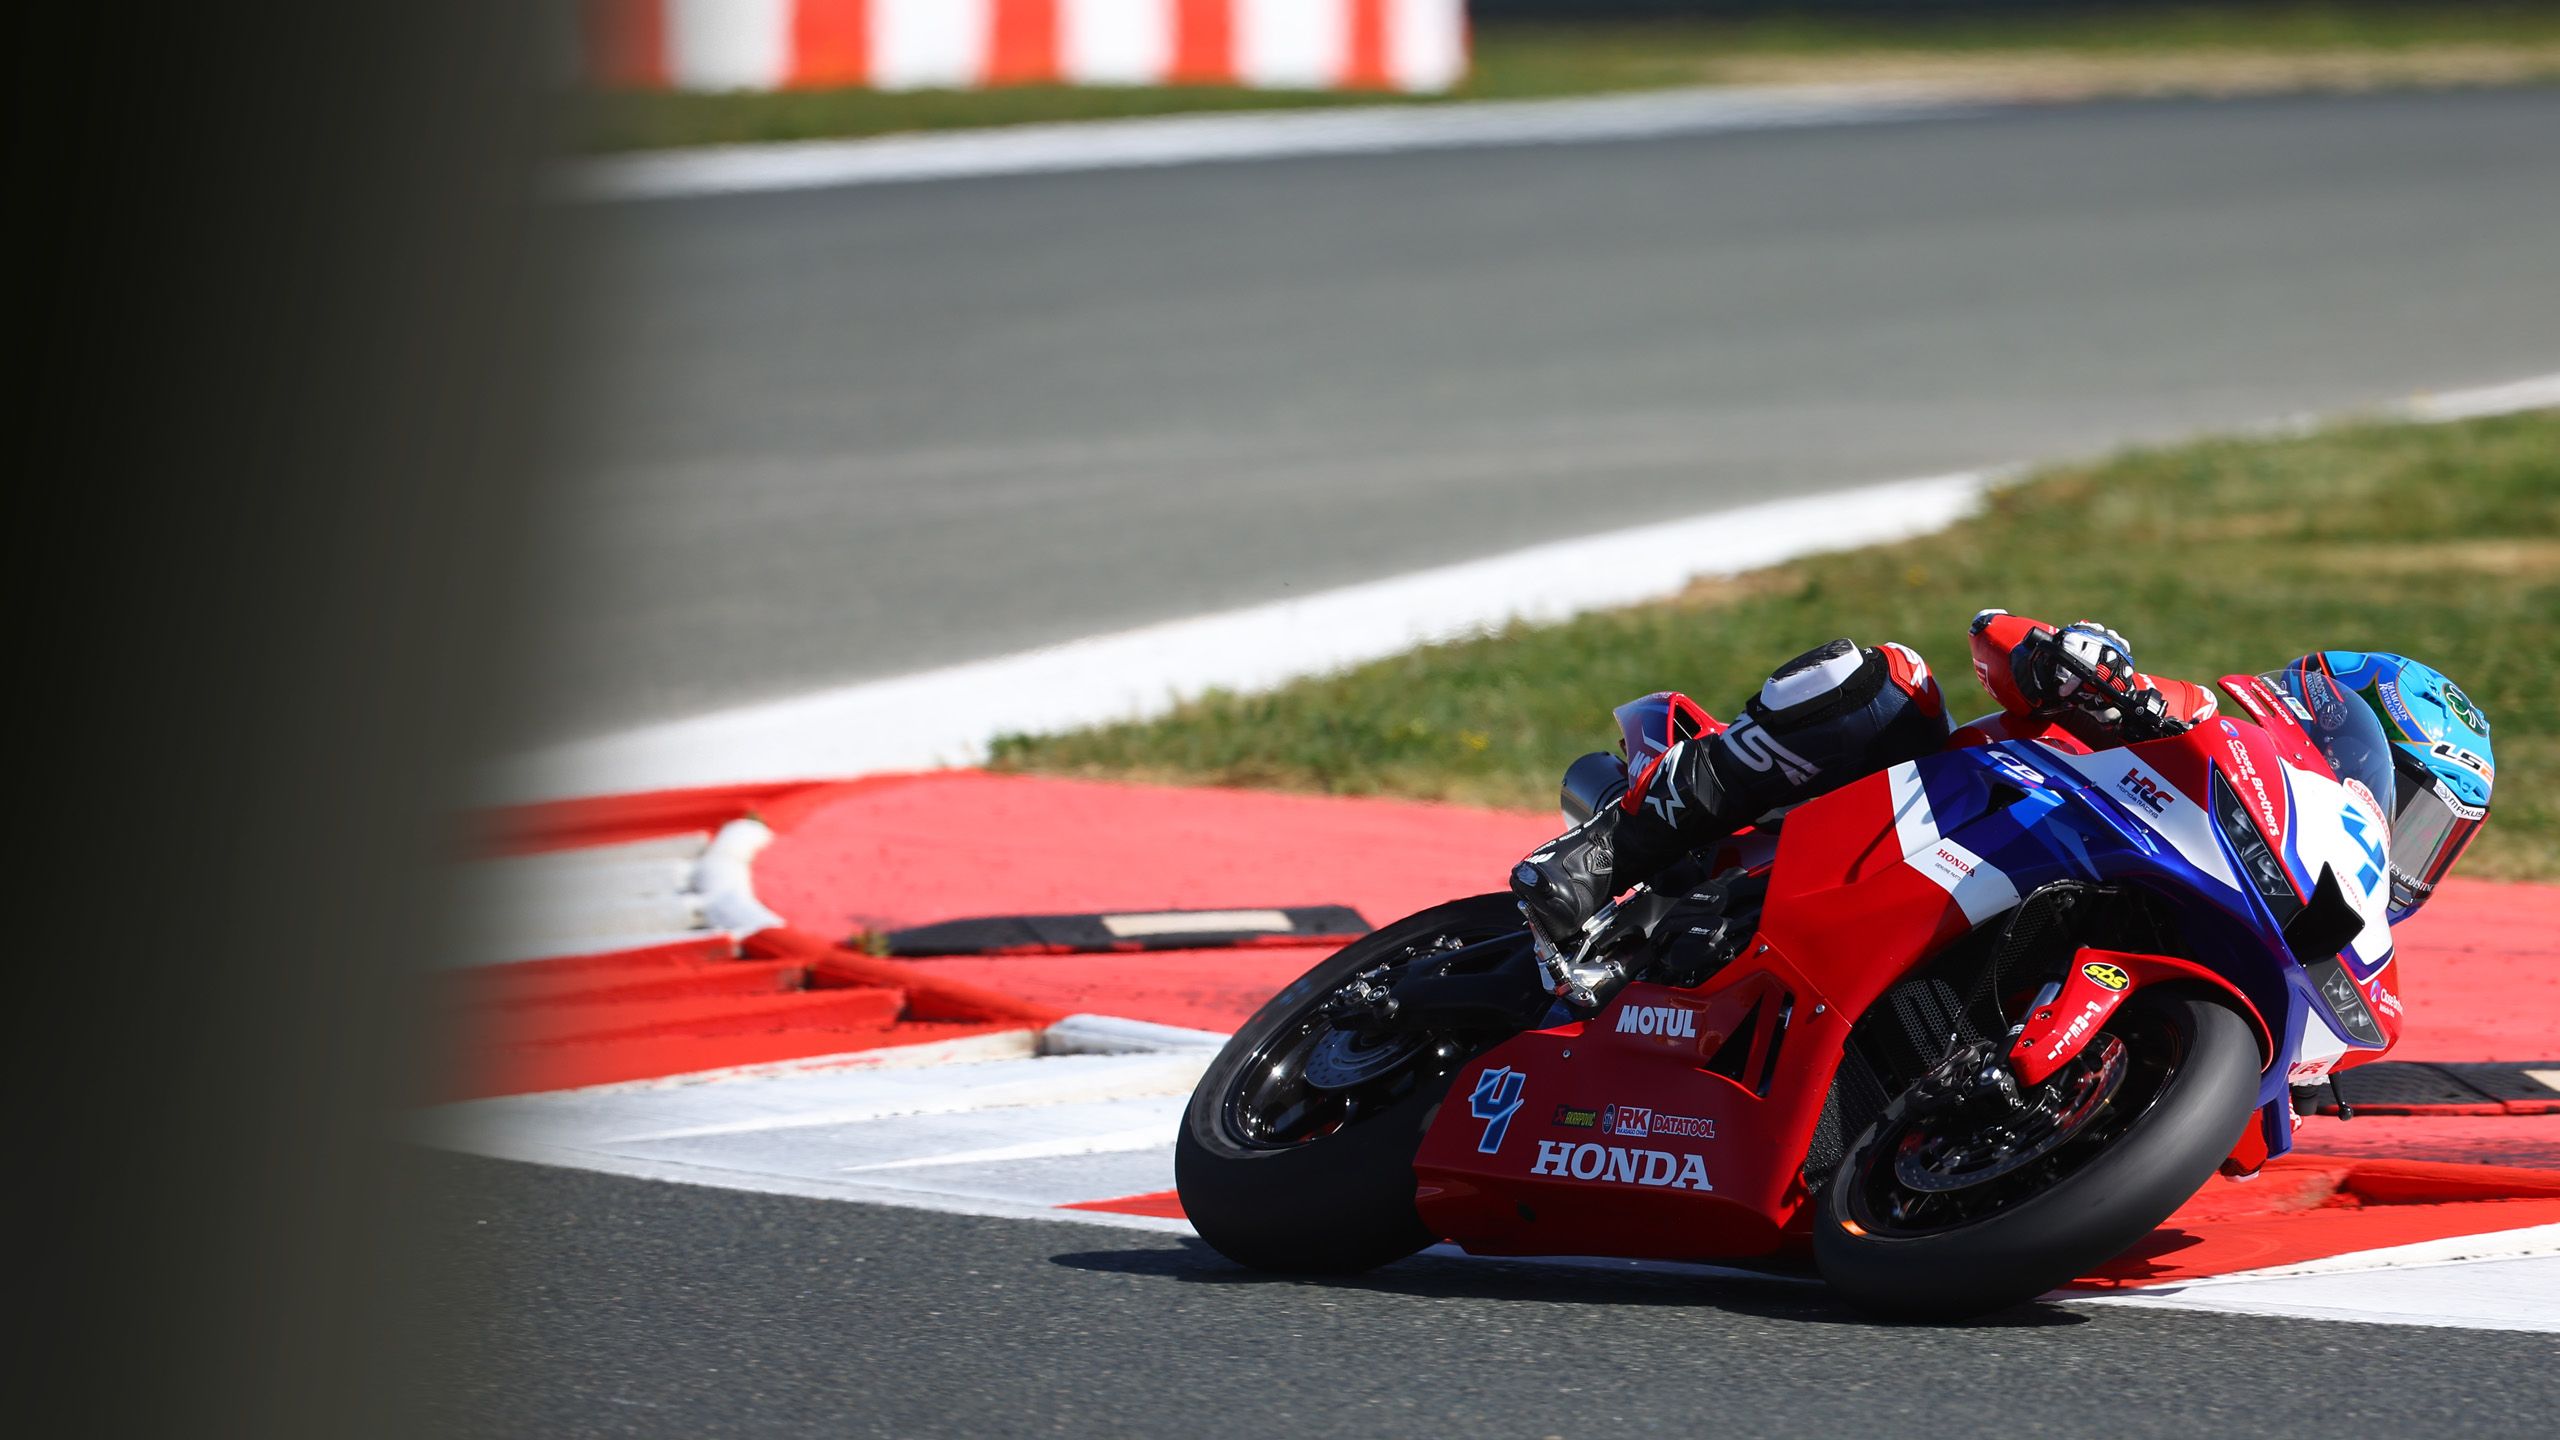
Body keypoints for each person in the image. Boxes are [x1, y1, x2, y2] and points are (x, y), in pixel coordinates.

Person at [1508, 610, 2494, 954]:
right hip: (1907, 824)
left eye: (2426, 842)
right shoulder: (2196, 718)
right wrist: (2067, 663)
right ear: (2335, 722)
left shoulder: (2313, 914)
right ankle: (1600, 854)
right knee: (1880, 679)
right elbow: (1998, 635)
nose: (2394, 845)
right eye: (2400, 804)